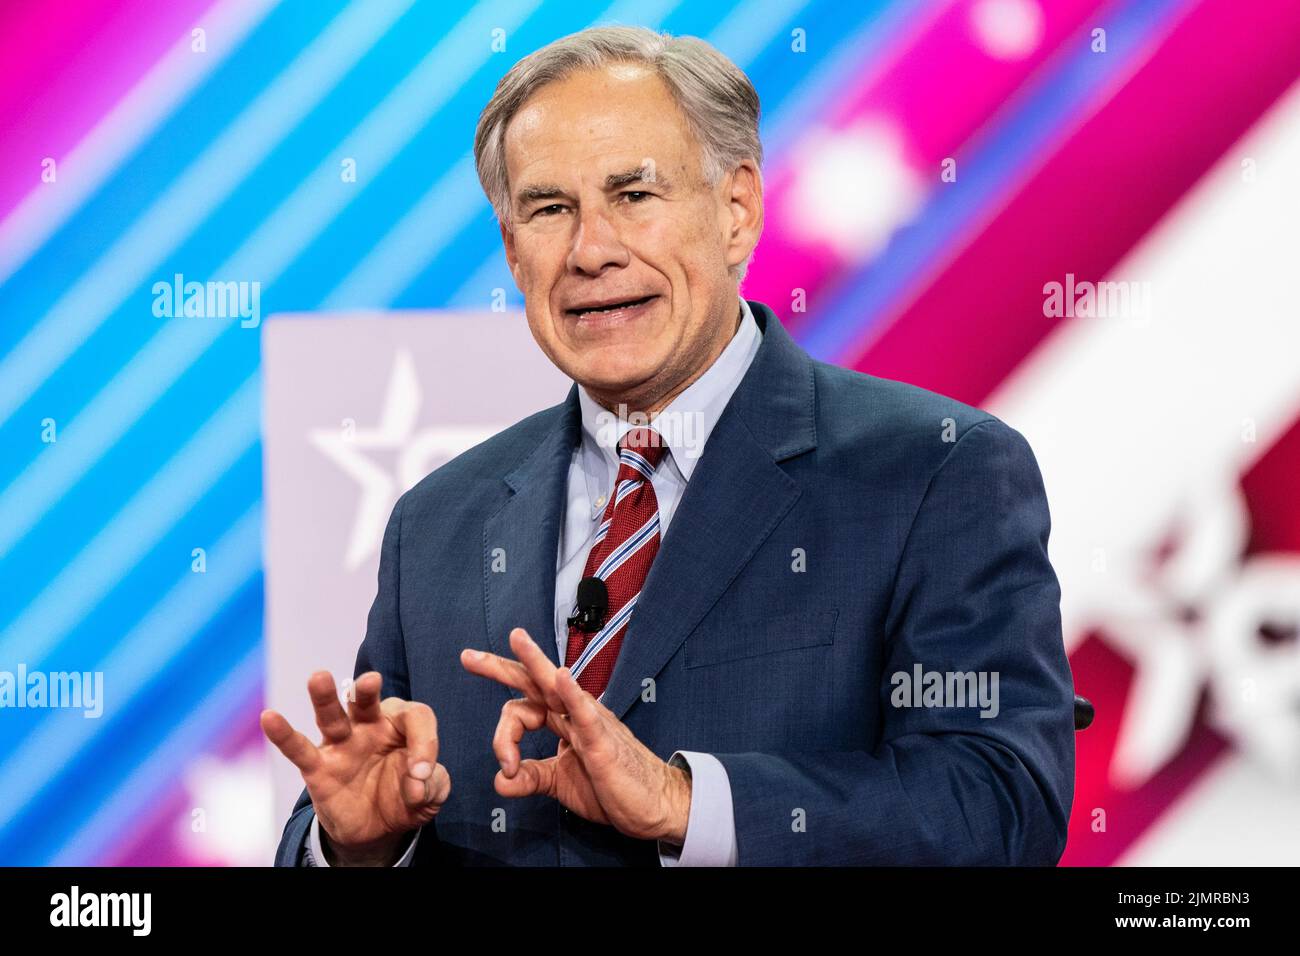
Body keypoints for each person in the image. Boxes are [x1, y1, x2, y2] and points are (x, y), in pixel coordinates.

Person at [263, 25, 1075, 867]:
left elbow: (1001, 807)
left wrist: (684, 803)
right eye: (549, 210)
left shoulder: (934, 471)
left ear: (737, 211)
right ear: (512, 251)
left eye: (635, 195)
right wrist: (356, 842)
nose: (592, 250)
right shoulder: (436, 523)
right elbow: (344, 815)